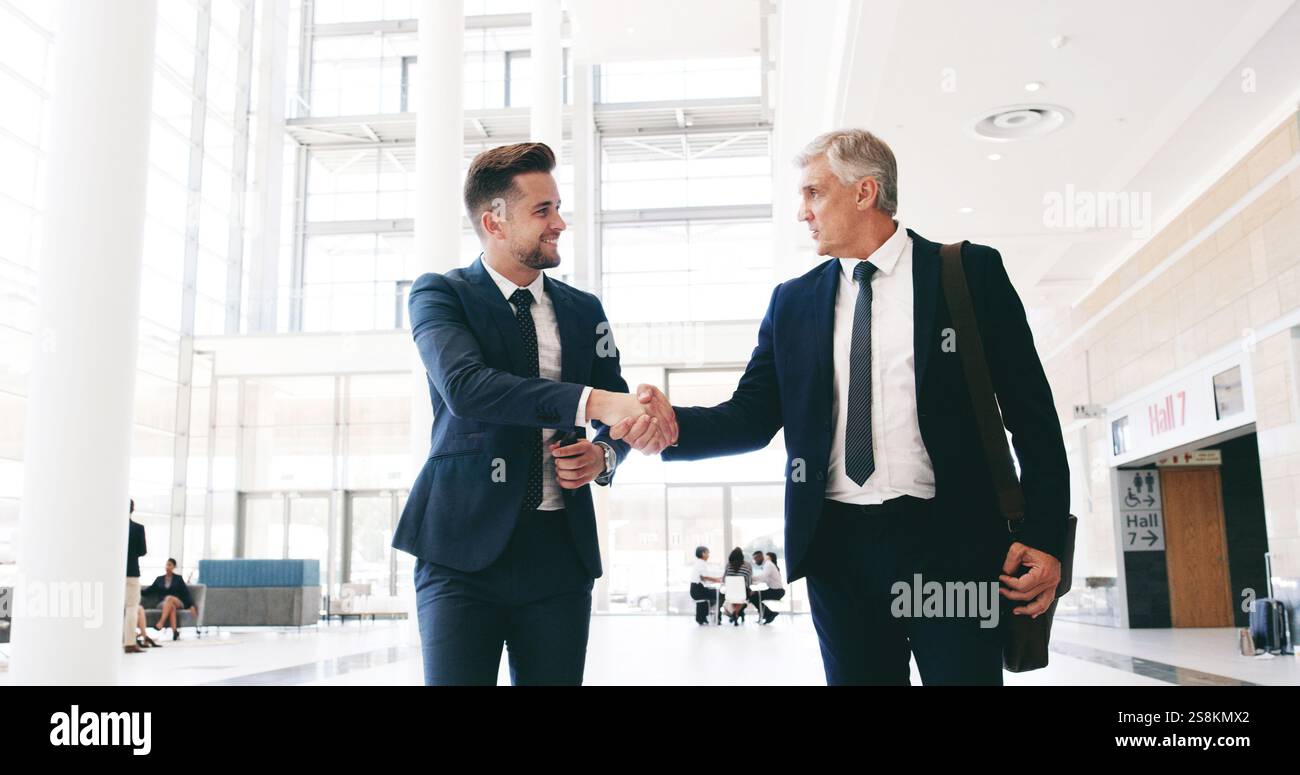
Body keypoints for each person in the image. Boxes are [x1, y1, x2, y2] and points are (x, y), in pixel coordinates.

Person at [615, 129, 1069, 685]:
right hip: (839, 551)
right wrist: (674, 426)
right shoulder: (794, 302)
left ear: (864, 192)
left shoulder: (967, 274)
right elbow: (753, 416)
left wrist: (1045, 536)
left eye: (813, 194)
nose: (802, 213)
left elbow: (1033, 416)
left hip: (950, 547)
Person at [392, 141, 676, 686]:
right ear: (493, 221)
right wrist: (588, 401)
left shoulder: (583, 310)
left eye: (558, 207)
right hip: (460, 549)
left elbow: (615, 411)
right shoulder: (440, 295)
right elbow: (466, 388)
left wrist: (604, 453)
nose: (560, 223)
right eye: (542, 210)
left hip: (558, 554)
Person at [144, 558, 197, 640]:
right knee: (171, 607)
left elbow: (185, 593)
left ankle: (160, 623)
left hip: (178, 602)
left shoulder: (178, 579)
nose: (167, 566)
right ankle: (175, 632)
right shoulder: (159, 579)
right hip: (163, 603)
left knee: (170, 598)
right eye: (166, 564)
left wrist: (191, 605)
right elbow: (149, 590)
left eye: (170, 565)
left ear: (174, 567)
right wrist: (136, 590)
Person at [123, 499, 147, 654]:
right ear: (133, 509)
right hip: (131, 573)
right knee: (132, 608)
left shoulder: (112, 528)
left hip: (114, 574)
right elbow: (142, 551)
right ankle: (130, 643)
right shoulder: (138, 528)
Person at [748, 550, 786, 623]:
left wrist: (751, 579)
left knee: (754, 597)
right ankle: (768, 614)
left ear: (760, 557)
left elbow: (763, 578)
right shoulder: (767, 564)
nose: (755, 561)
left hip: (777, 592)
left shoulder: (768, 565)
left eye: (755, 559)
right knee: (755, 596)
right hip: (774, 590)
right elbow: (764, 579)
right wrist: (753, 580)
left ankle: (770, 614)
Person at [688, 546, 722, 625]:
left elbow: (703, 579)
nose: (708, 555)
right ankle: (717, 617)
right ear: (703, 553)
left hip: (695, 589)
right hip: (698, 590)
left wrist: (715, 580)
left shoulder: (698, 563)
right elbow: (704, 577)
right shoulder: (701, 563)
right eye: (707, 553)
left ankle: (704, 615)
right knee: (719, 594)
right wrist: (717, 580)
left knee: (715, 594)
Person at [721, 548, 752, 625]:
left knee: (731, 600)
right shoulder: (747, 565)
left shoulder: (728, 565)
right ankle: (735, 614)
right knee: (743, 598)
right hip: (743, 592)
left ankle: (734, 614)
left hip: (730, 592)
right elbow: (749, 582)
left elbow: (724, 579)